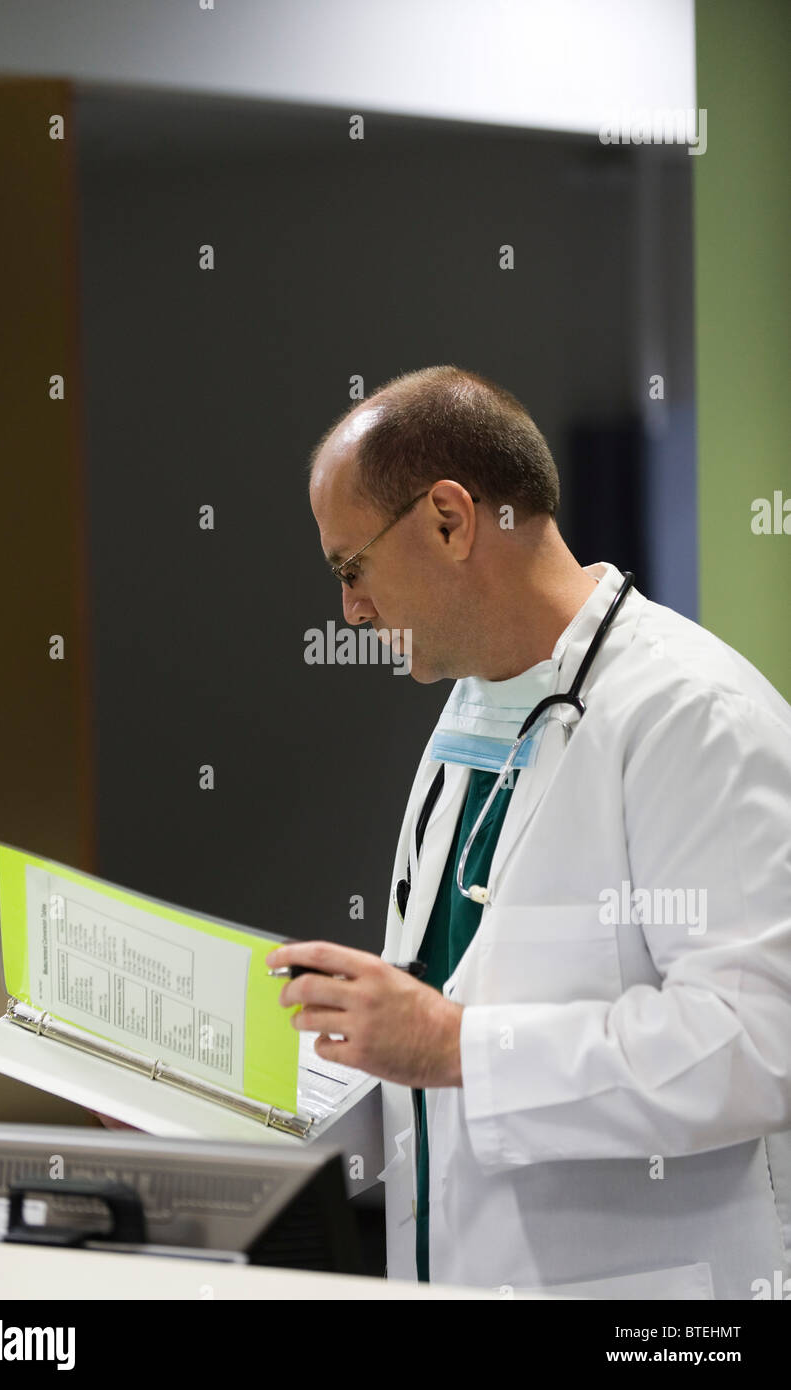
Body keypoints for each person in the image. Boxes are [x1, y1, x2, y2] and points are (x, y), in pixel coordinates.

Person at [267, 364, 791, 1298]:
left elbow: (756, 1042)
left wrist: (453, 1045)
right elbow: (442, 1044)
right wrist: (229, 1114)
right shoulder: (477, 713)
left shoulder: (688, 713)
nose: (349, 610)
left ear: (449, 520)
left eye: (352, 568)